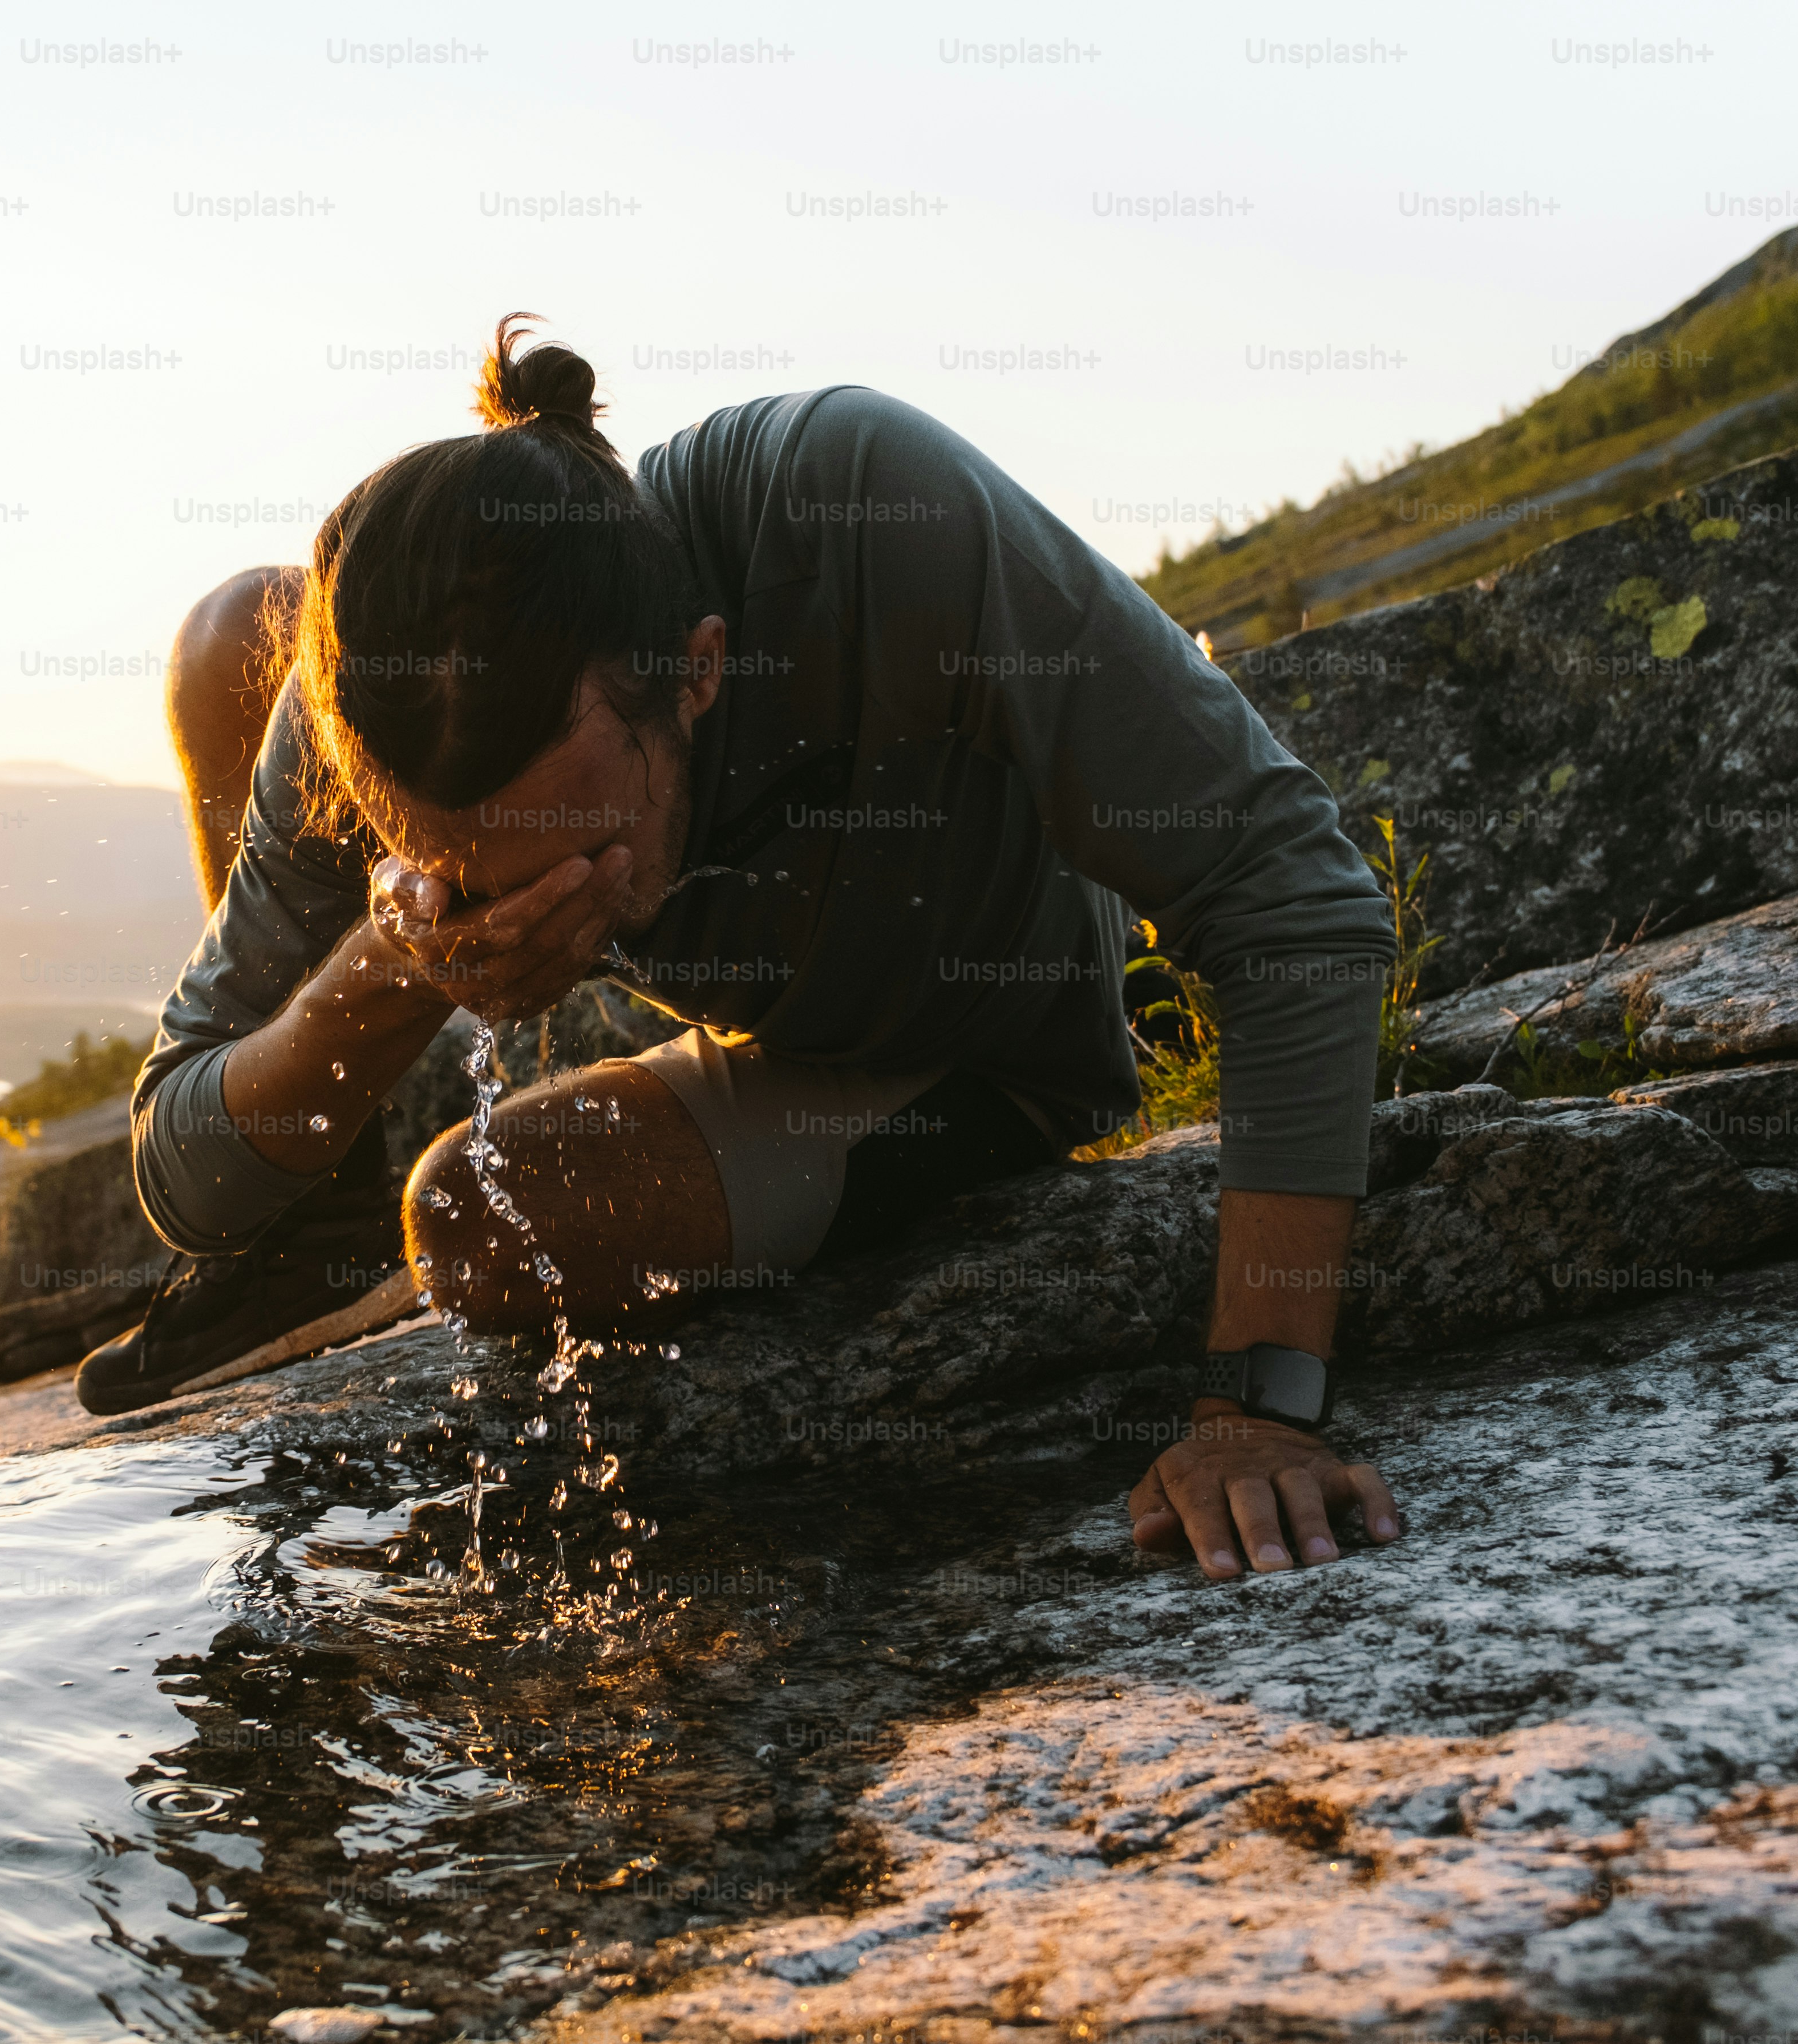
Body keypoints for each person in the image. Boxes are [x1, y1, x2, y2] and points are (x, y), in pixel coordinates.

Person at [79, 314, 1404, 1582]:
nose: (533, 909)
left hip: (971, 1028)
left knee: (478, 1221)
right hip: (760, 977)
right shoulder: (366, 706)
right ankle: (316, 1245)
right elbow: (183, 1173)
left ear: (698, 671)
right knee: (232, 634)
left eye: (577, 847)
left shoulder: (861, 507)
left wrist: (1259, 1408)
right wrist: (394, 964)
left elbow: (1291, 886)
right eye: (464, 871)